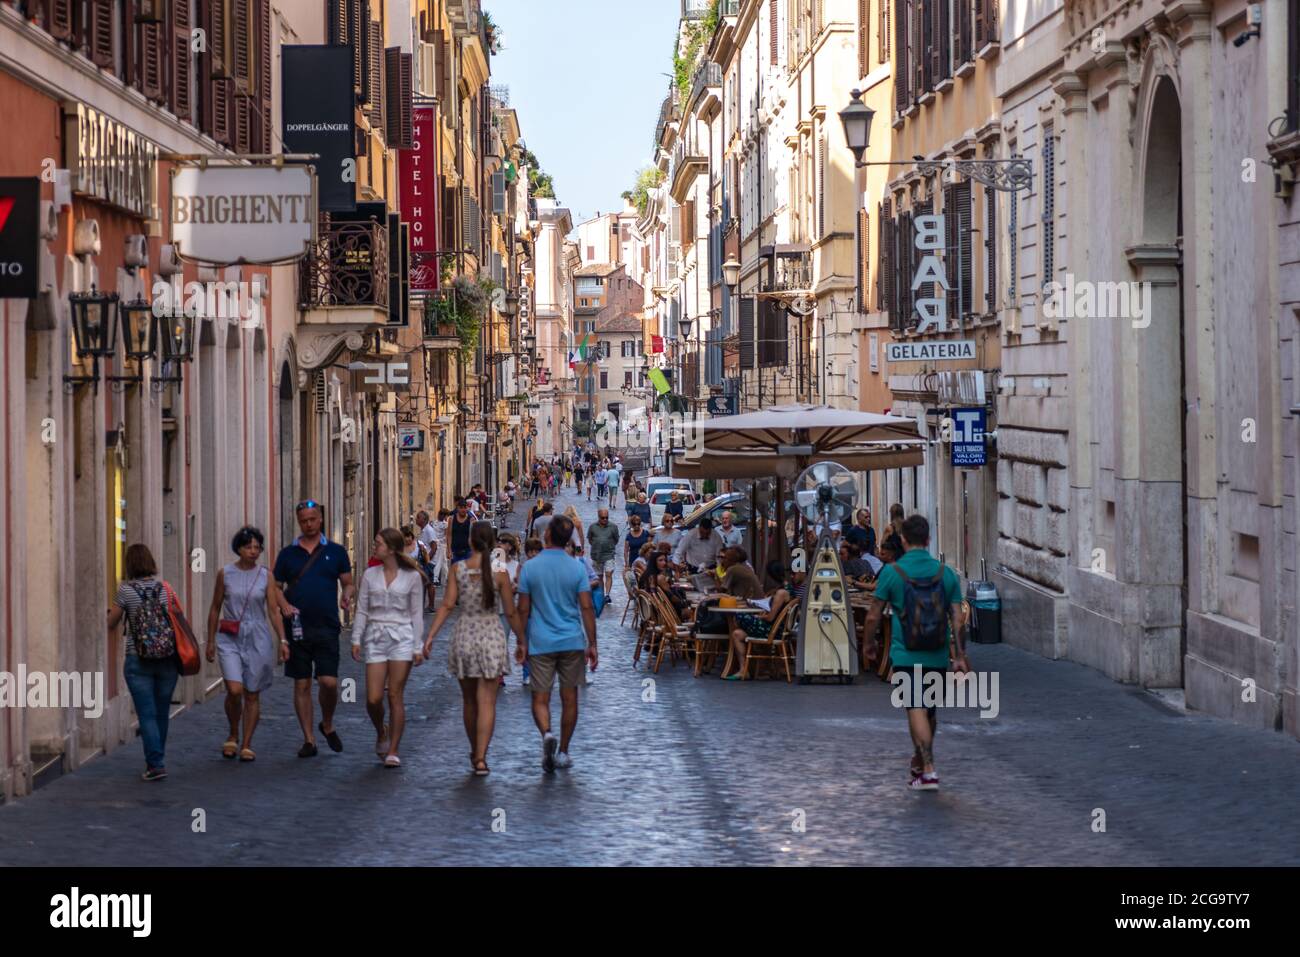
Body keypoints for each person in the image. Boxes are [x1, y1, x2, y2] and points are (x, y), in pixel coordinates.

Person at [860, 514, 967, 792]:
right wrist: (959, 656)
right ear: (928, 540)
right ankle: (920, 762)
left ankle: (929, 769)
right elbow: (957, 618)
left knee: (915, 707)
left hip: (905, 653)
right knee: (929, 709)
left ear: (904, 540)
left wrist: (869, 645)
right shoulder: (947, 573)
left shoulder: (893, 573)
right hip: (937, 652)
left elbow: (872, 616)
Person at [424, 522, 524, 776]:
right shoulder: (500, 572)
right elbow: (510, 612)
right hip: (491, 634)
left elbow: (446, 605)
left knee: (469, 700)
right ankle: (481, 756)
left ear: (470, 542)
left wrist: (430, 637)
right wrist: (523, 640)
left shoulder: (458, 569)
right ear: (492, 543)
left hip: (465, 634)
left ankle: (474, 749)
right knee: (487, 700)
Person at [515, 516, 598, 772]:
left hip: (541, 641)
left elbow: (523, 609)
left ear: (547, 535)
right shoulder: (576, 567)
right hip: (572, 640)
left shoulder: (530, 567)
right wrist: (592, 643)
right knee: (569, 697)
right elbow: (586, 606)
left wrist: (521, 641)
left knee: (540, 697)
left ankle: (547, 734)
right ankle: (563, 751)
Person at [273, 500, 355, 758]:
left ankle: (327, 723)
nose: (308, 525)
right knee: (302, 684)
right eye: (303, 521)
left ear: (320, 519)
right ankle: (309, 739)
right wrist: (284, 604)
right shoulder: (287, 554)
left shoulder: (337, 551)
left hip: (327, 625)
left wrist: (347, 596)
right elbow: (274, 587)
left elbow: (349, 582)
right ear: (299, 522)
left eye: (312, 520)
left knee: (329, 683)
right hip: (297, 627)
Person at [205, 527, 287, 763]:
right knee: (235, 689)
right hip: (229, 635)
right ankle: (232, 732)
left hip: (257, 635)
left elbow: (273, 610)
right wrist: (210, 640)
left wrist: (282, 639)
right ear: (238, 548)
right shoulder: (225, 574)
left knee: (252, 693)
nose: (253, 551)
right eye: (248, 546)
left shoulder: (266, 576)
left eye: (257, 547)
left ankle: (247, 743)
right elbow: (214, 607)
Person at [350, 528, 427, 768]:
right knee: (373, 699)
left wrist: (417, 645)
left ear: (392, 549)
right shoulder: (370, 575)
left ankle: (393, 749)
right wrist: (356, 638)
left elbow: (416, 613)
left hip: (402, 637)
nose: (375, 547)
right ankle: (381, 731)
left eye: (379, 544)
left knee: (395, 695)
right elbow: (362, 608)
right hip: (375, 637)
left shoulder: (412, 577)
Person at [107, 544, 183, 781]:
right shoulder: (166, 589)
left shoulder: (125, 591)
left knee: (146, 714)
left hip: (137, 659)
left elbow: (112, 622)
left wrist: (109, 613)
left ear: (129, 564)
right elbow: (179, 616)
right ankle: (157, 758)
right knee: (161, 712)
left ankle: (155, 764)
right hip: (167, 659)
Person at [723, 561, 798, 681]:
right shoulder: (788, 589)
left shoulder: (781, 593)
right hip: (774, 629)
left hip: (772, 631)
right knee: (736, 634)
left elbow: (771, 618)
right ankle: (744, 669)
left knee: (739, 616)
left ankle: (759, 664)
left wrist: (760, 617)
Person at [587, 508, 621, 596]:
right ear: (598, 517)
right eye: (602, 518)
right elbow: (590, 539)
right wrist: (597, 545)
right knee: (599, 576)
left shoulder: (613, 527)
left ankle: (607, 595)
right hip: (596, 555)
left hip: (609, 554)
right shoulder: (592, 527)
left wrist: (609, 545)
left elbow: (616, 539)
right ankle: (601, 594)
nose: (605, 519)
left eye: (606, 517)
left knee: (608, 574)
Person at [448, 498, 474, 564]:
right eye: (461, 508)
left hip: (467, 551)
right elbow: (449, 535)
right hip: (455, 552)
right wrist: (449, 550)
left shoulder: (471, 520)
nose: (463, 510)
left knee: (466, 573)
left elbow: (473, 537)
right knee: (455, 572)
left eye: (465, 507)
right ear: (457, 508)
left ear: (467, 508)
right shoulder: (452, 519)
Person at [430, 509, 451, 585]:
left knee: (443, 561)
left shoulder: (444, 524)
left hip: (441, 544)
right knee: (439, 561)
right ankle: (435, 578)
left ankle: (446, 577)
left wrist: (437, 540)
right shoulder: (434, 523)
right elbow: (446, 536)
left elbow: (446, 536)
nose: (446, 517)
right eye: (446, 516)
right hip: (438, 544)